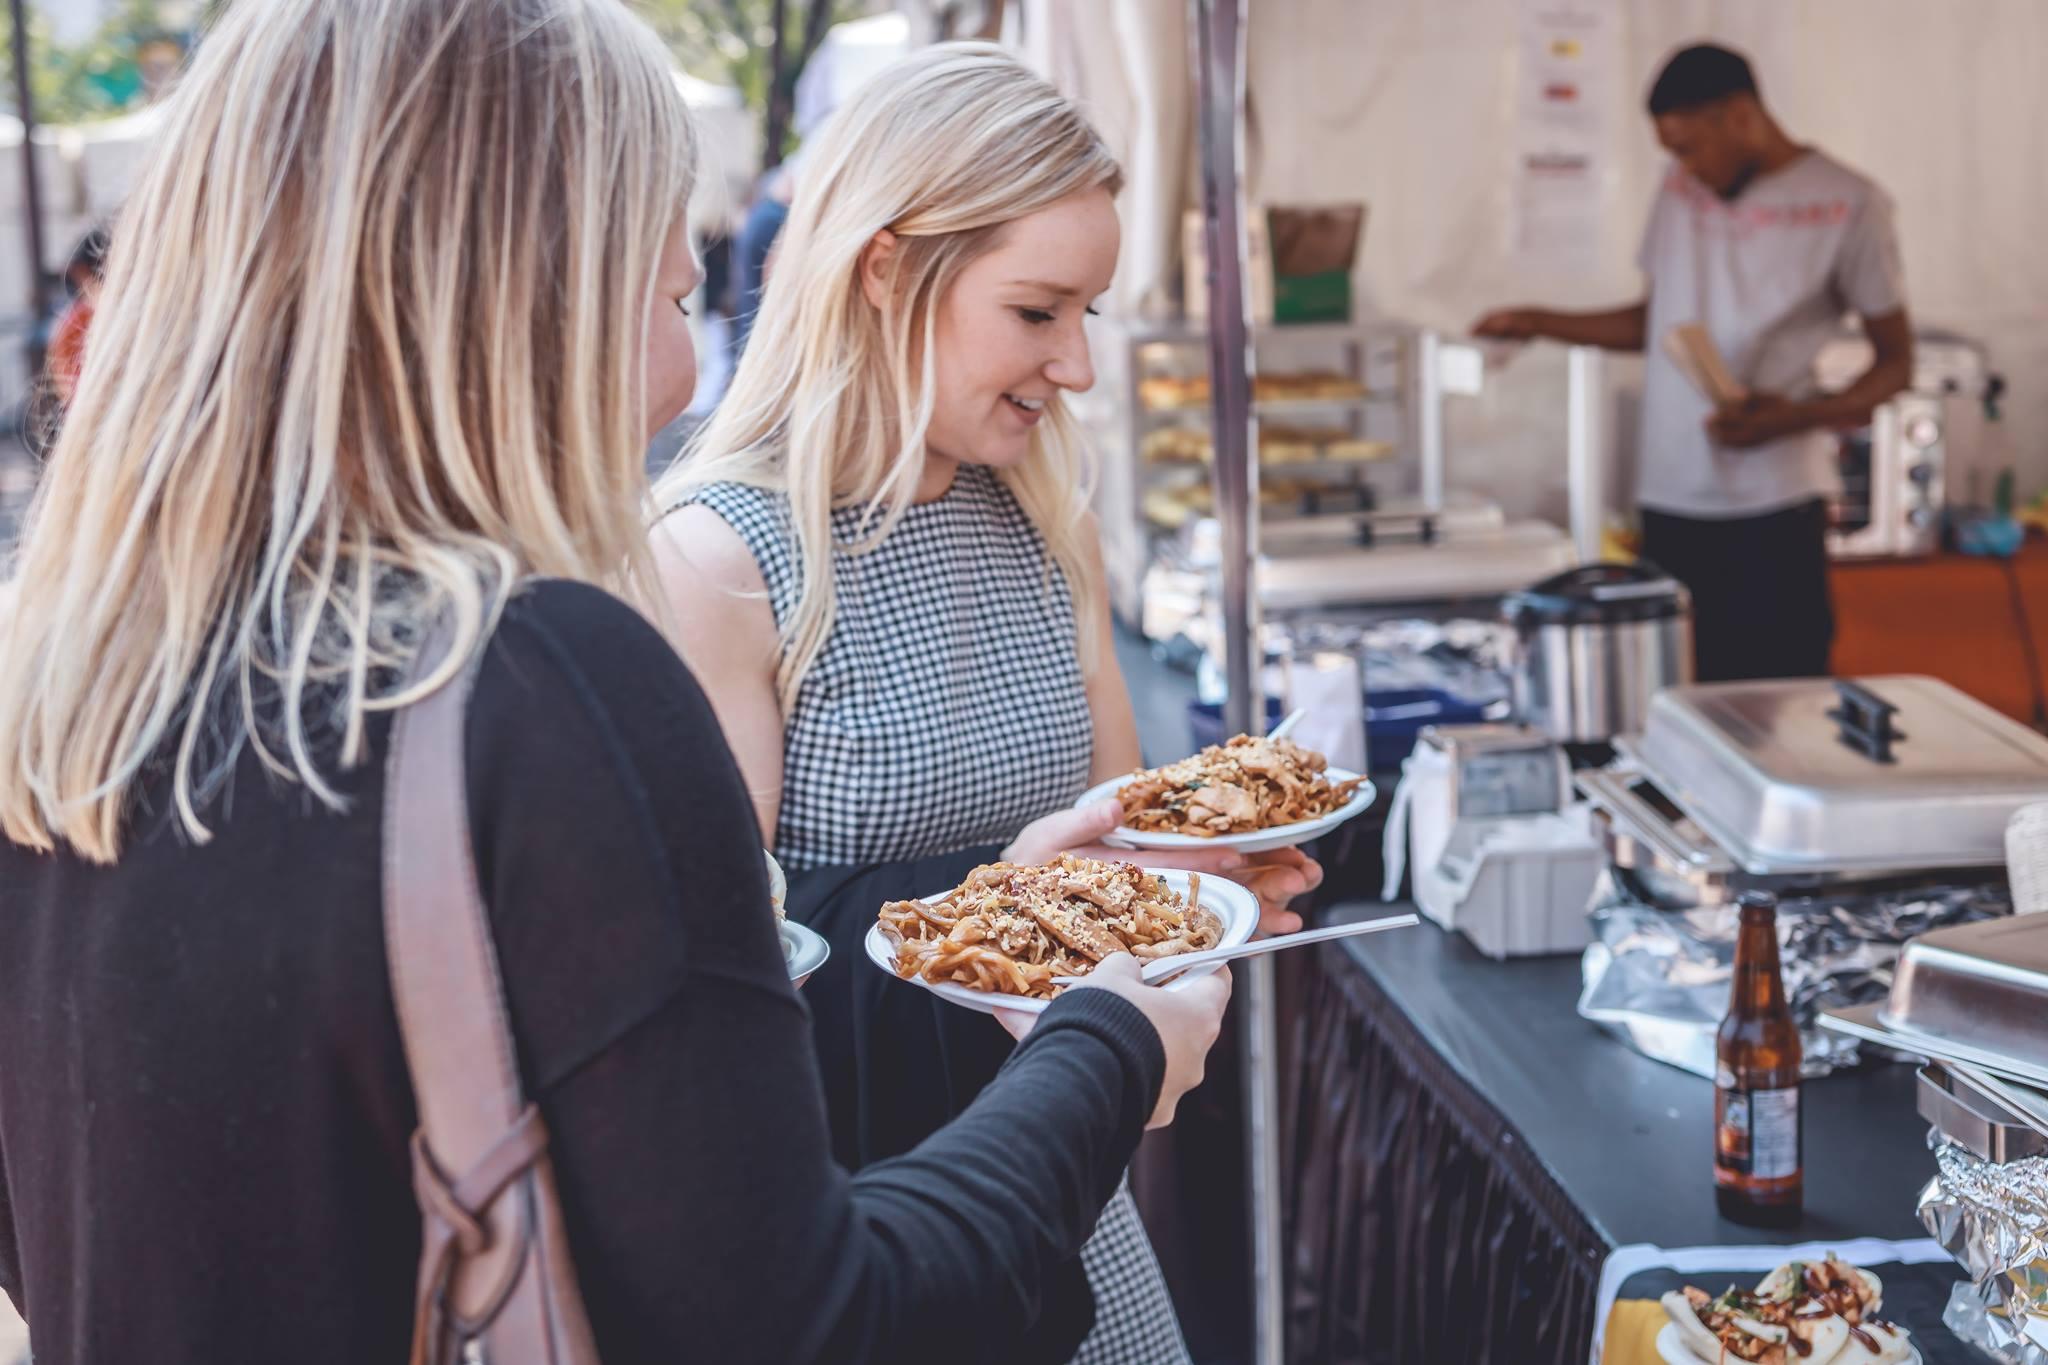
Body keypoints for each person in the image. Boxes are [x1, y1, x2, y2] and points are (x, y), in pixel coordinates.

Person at [0, 4, 1230, 1363]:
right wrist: (1105, 1040)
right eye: (673, 290)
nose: (677, 372)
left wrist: (1008, 904)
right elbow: (810, 1315)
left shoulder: (67, 679)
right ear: (526, 291)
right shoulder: (533, 682)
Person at [652, 43, 1319, 1365]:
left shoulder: (1041, 515)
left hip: (1072, 1202)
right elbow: (714, 1007)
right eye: (1037, 311)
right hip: (872, 1241)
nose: (1077, 367)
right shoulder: (721, 560)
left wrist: (1196, 873)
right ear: (887, 268)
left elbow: (1114, 857)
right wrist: (994, 905)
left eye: (1090, 314)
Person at [1475, 42, 1912, 682]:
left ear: (1740, 115)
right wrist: (1540, 321)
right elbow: (1656, 323)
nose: (1683, 167)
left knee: (1777, 701)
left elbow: (1896, 364)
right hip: (1673, 501)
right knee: (1673, 699)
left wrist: (1792, 418)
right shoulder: (1681, 189)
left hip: (1775, 509)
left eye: (1689, 147)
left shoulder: (1850, 204)